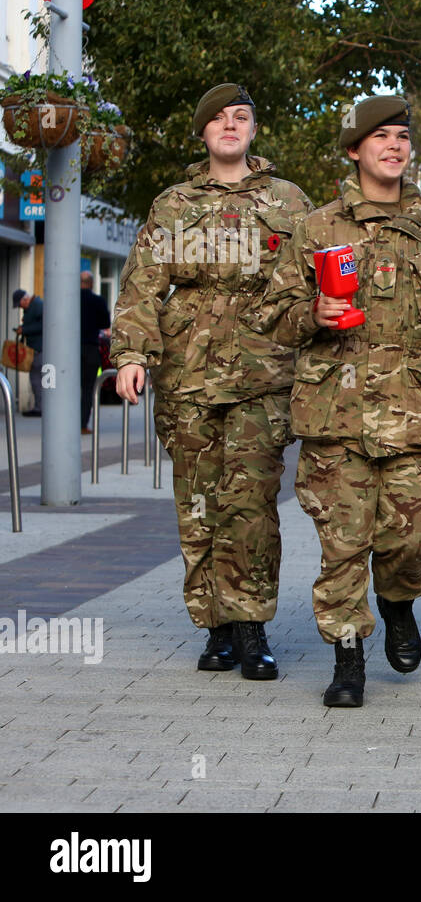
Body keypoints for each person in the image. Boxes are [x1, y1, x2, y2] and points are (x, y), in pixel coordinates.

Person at [261, 95, 421, 707]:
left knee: (409, 540)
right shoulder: (316, 228)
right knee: (343, 542)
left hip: (417, 411)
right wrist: (311, 314)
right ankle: (347, 657)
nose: (394, 146)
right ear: (356, 149)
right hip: (337, 413)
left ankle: (398, 601)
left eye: (402, 137)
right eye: (380, 136)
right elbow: (271, 317)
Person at [111, 83, 312, 679]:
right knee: (198, 503)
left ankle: (252, 627)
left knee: (250, 502)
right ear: (203, 132)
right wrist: (132, 355)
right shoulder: (173, 203)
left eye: (242, 117)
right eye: (219, 118)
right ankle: (215, 625)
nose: (230, 125)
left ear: (253, 130)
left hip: (264, 371)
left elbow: (310, 282)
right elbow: (143, 283)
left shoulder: (289, 200)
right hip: (188, 373)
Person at [80, 272, 111, 433]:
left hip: (70, 351)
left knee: (70, 387)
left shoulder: (69, 299)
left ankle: (67, 420)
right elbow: (105, 323)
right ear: (91, 284)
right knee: (88, 388)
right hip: (91, 348)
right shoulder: (97, 301)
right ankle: (82, 424)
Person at [12, 289, 42, 416]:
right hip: (37, 348)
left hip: (40, 349)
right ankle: (40, 406)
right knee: (39, 378)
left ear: (25, 299)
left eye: (19, 304)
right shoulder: (33, 307)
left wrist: (24, 330)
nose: (20, 307)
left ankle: (40, 407)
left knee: (37, 378)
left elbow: (43, 326)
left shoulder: (38, 307)